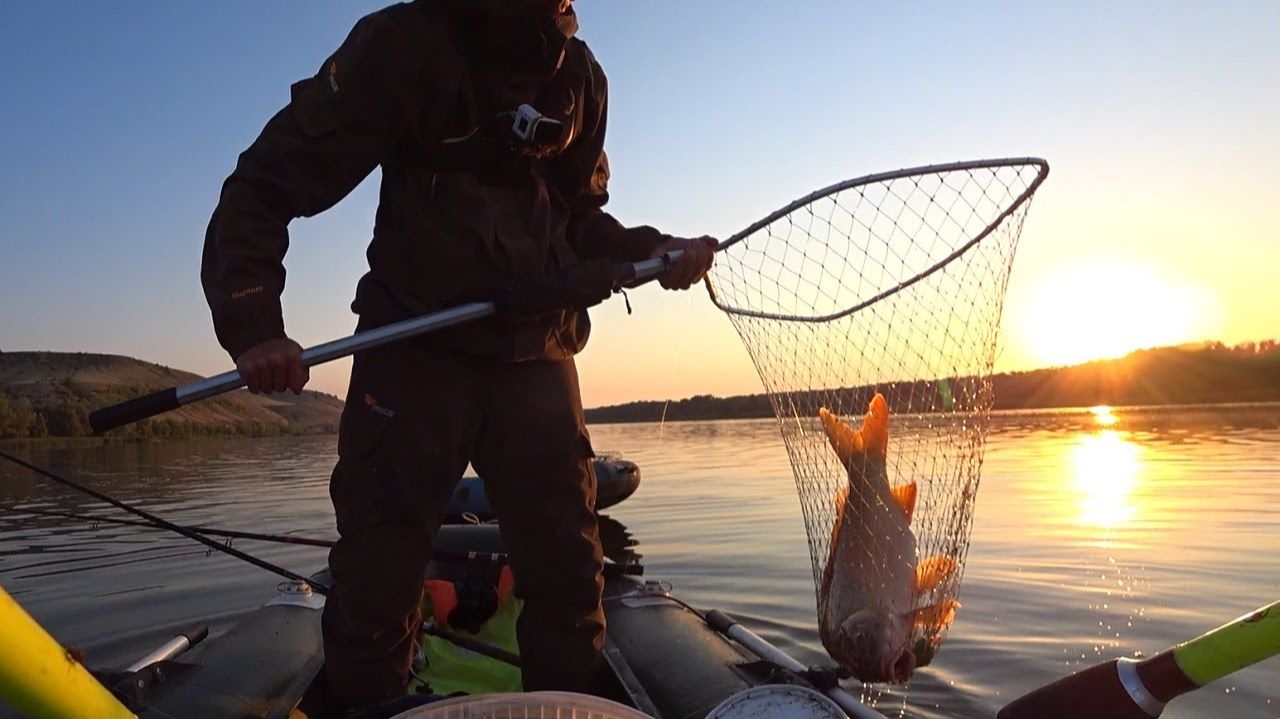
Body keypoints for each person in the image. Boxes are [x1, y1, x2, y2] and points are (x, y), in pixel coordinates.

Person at [199, 0, 716, 712]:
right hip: (411, 351)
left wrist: (648, 251)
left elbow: (580, 221)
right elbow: (265, 184)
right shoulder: (403, 42)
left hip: (537, 354)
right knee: (376, 583)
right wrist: (255, 322)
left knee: (569, 575)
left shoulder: (580, 76)